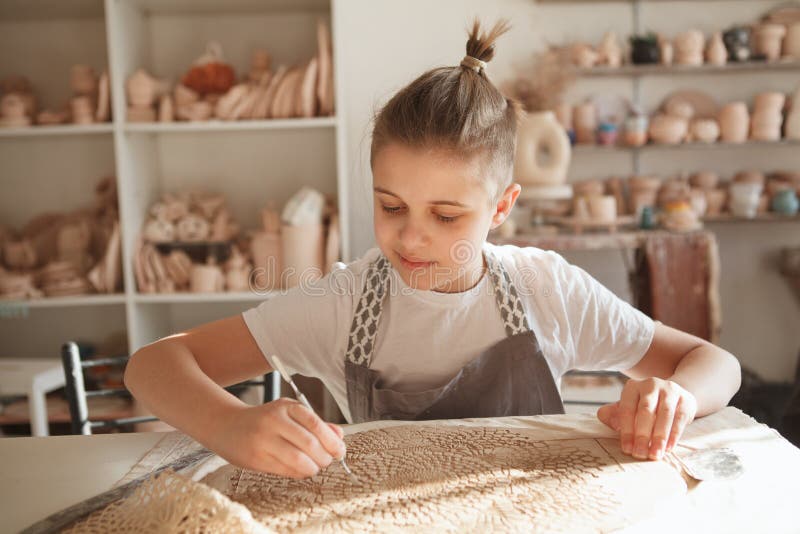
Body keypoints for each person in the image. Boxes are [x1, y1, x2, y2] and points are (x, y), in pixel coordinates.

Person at [124, 20, 741, 480]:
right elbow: (151, 366)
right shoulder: (344, 303)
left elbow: (713, 362)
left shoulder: (548, 290)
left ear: (501, 208)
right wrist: (228, 423)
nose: (411, 237)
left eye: (446, 215)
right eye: (391, 206)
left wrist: (677, 396)